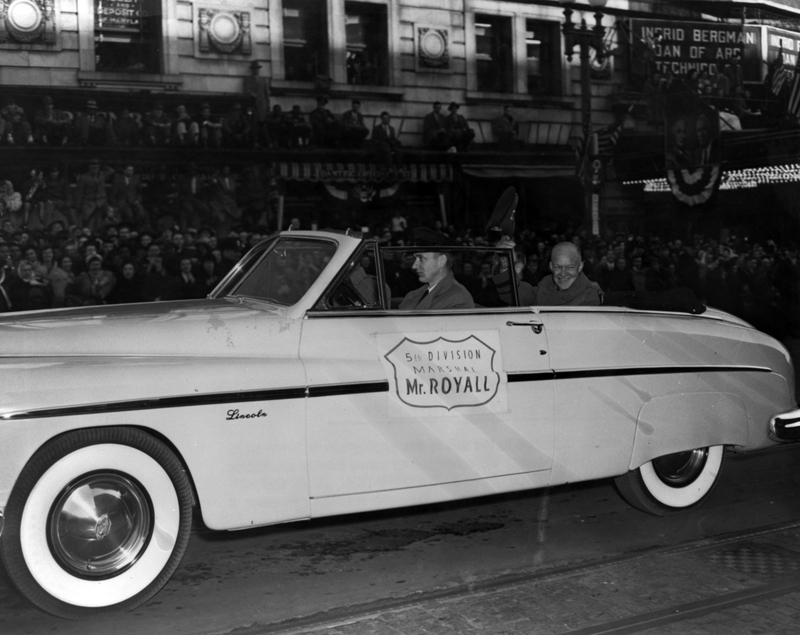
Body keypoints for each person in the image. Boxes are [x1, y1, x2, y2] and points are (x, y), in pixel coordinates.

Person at [399, 228, 474, 310]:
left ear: (441, 261)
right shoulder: (414, 294)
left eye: (421, 258)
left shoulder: (459, 299)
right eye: (415, 258)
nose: (414, 265)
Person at [531, 242, 602, 306]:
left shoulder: (590, 294)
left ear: (580, 267)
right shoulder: (544, 286)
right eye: (557, 267)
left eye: (570, 267)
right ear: (551, 267)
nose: (563, 274)